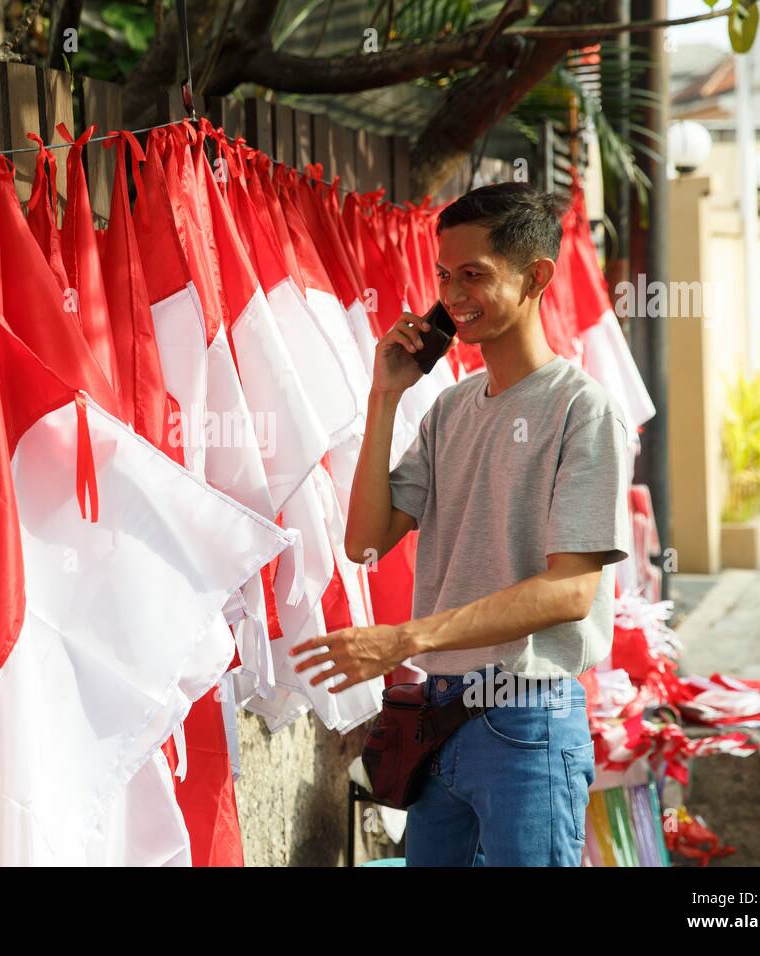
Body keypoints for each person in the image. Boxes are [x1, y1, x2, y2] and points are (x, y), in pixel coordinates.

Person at [290, 182, 631, 866]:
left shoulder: (583, 409)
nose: (452, 295)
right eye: (444, 276)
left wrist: (405, 638)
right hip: (439, 723)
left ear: (536, 277)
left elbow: (570, 592)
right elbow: (364, 541)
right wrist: (385, 396)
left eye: (474, 275)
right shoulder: (449, 409)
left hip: (527, 723)